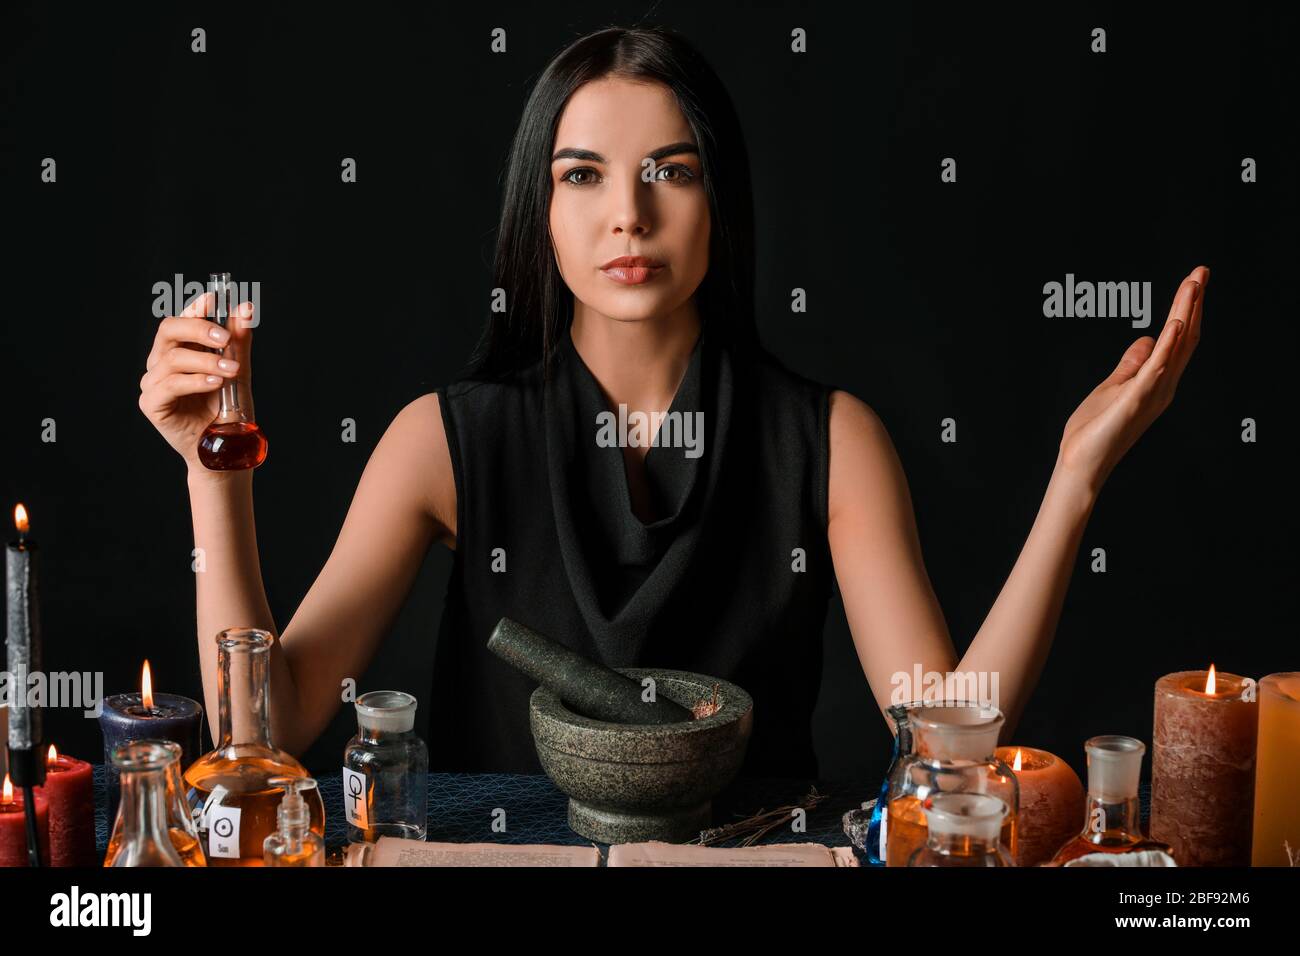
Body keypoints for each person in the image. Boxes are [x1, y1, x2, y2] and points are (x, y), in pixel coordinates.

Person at [137, 26, 1205, 777]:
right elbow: (259, 724)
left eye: (671, 170)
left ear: (720, 201)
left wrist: (1073, 481)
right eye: (583, 175)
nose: (628, 216)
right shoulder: (445, 438)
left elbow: (942, 739)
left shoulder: (829, 440)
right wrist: (210, 472)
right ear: (539, 213)